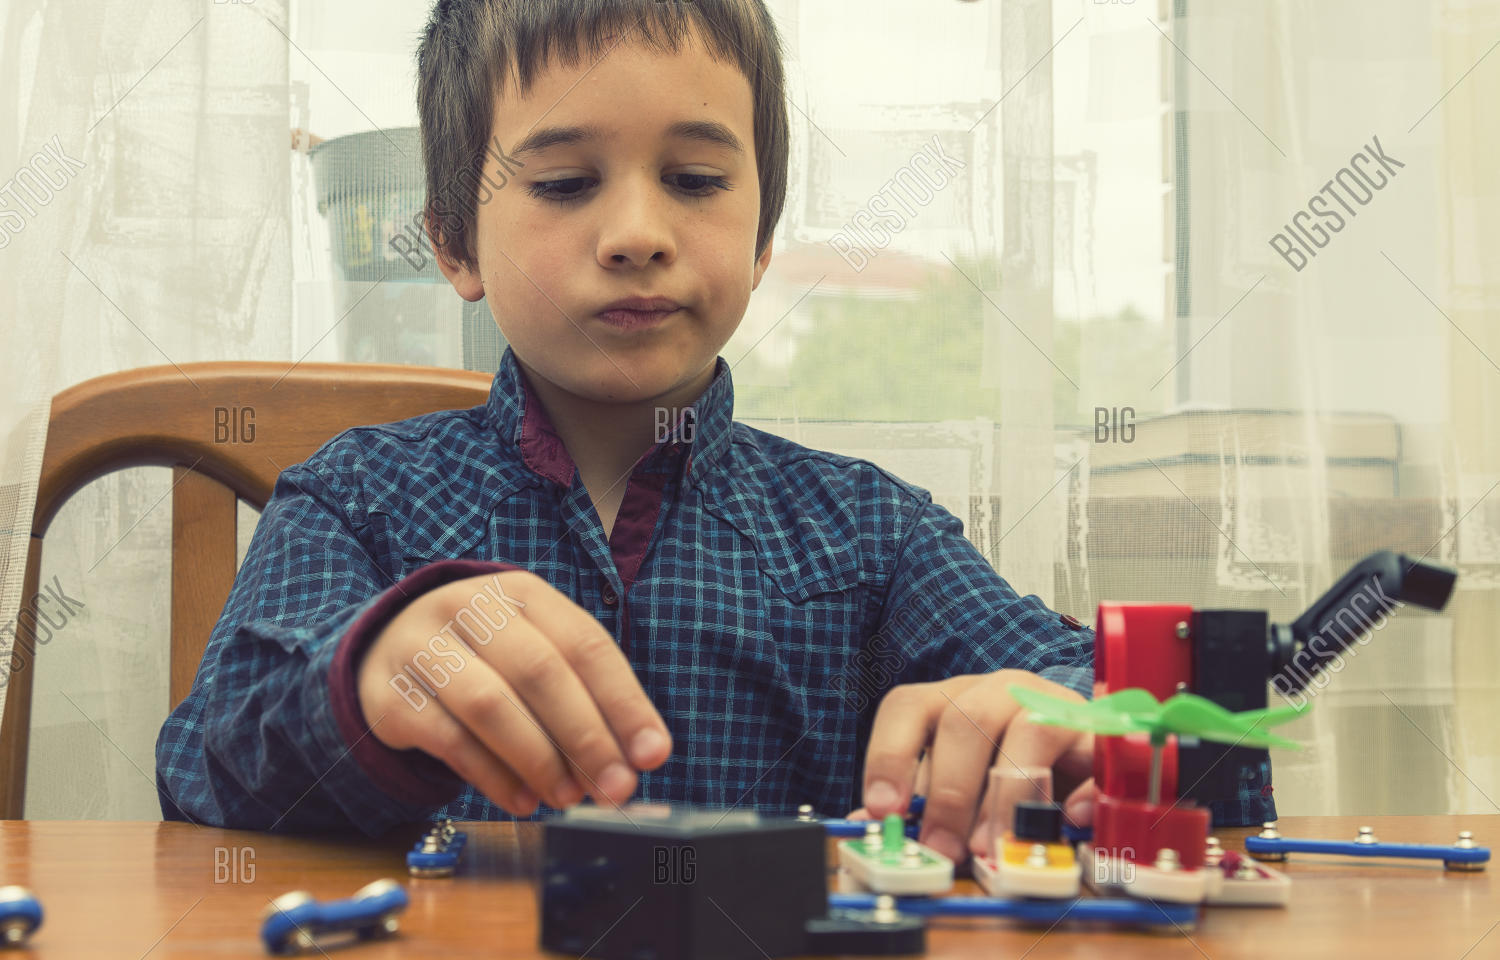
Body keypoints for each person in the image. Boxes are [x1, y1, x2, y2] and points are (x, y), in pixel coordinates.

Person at [158, 0, 1152, 862]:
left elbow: (1184, 749)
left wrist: (1077, 725)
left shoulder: (870, 537)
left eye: (694, 179)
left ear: (763, 238)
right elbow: (205, 762)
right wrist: (366, 683)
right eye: (563, 182)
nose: (638, 232)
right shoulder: (357, 498)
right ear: (454, 239)